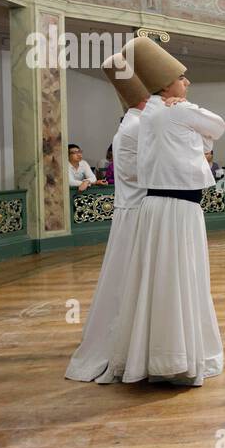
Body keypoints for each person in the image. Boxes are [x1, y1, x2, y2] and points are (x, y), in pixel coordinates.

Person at [100, 36, 225, 386]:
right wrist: (188, 111)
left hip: (159, 207)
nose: (187, 83)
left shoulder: (152, 115)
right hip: (178, 207)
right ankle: (175, 358)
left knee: (161, 282)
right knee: (180, 280)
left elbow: (202, 140)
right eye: (182, 78)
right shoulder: (175, 110)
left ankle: (158, 354)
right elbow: (216, 127)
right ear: (167, 84)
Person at [66, 54, 150, 382]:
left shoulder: (129, 123)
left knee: (126, 278)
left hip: (132, 210)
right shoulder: (138, 126)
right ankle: (130, 340)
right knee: (131, 278)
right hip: (138, 213)